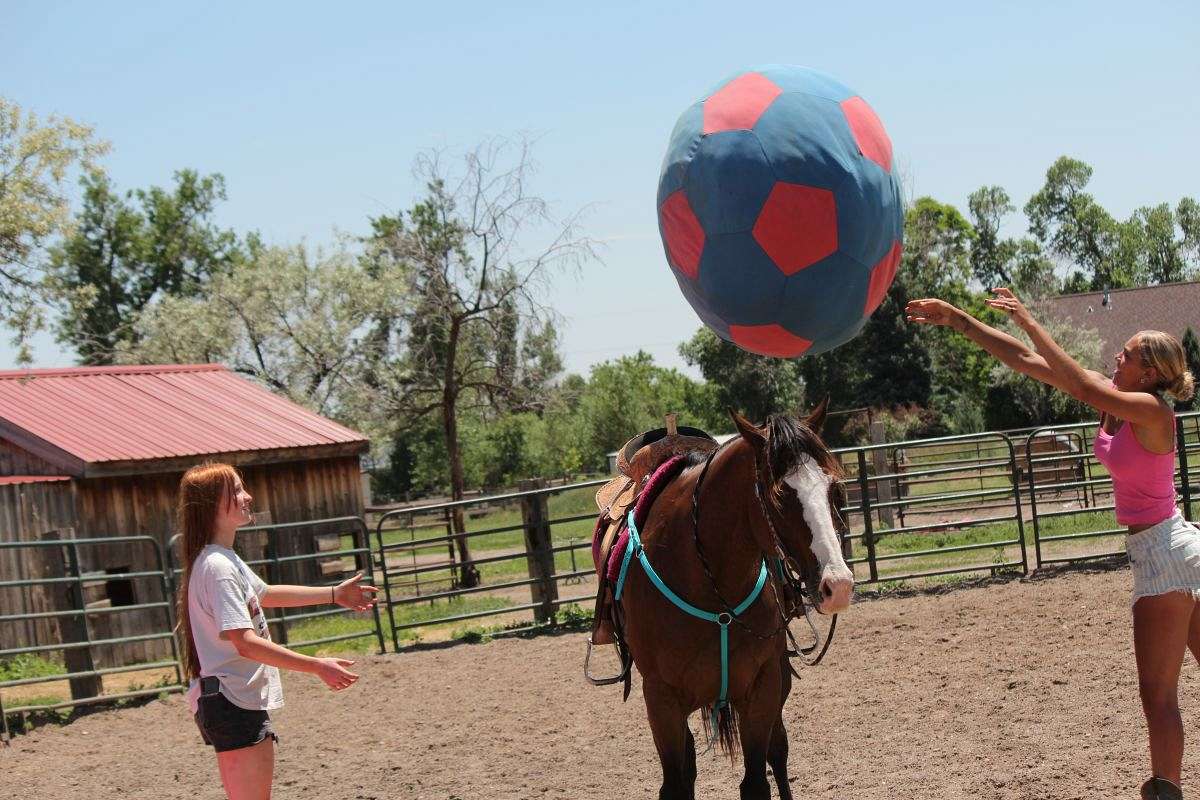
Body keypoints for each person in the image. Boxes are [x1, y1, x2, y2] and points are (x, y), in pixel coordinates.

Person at [907, 288, 1197, 800]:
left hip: (1163, 556)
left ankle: (1166, 792)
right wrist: (960, 321)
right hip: (1176, 548)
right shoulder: (1117, 398)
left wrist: (1029, 319)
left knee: (1158, 695)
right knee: (1164, 692)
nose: (1117, 356)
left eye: (1127, 354)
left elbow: (1082, 386)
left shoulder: (1152, 410)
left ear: (1150, 373)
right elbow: (1025, 360)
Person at [175, 462, 378, 799]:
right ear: (212, 504)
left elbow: (265, 594)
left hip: (232, 700)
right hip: (231, 701)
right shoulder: (218, 567)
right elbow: (245, 643)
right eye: (237, 491)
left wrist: (333, 594)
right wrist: (316, 665)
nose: (247, 496)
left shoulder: (224, 560)